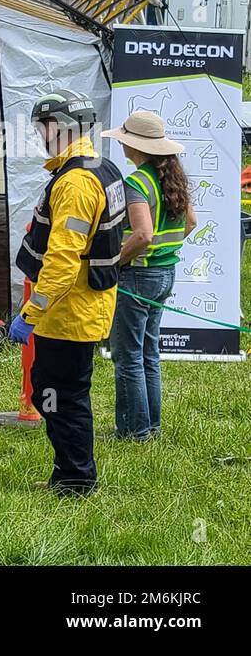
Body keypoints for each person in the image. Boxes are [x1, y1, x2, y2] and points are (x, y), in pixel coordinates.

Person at [10, 89, 126, 497]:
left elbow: (62, 261)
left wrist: (30, 315)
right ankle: (69, 472)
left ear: (57, 127)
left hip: (69, 313)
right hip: (82, 307)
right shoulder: (102, 167)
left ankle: (76, 481)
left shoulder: (75, 182)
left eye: (41, 128)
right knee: (54, 391)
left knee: (63, 396)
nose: (39, 135)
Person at [103, 111, 195, 441]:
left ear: (133, 146)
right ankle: (150, 426)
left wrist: (114, 263)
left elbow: (141, 234)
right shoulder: (172, 177)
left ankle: (135, 431)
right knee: (148, 354)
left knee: (127, 356)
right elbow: (190, 223)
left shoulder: (137, 182)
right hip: (164, 274)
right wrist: (164, 253)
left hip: (138, 278)